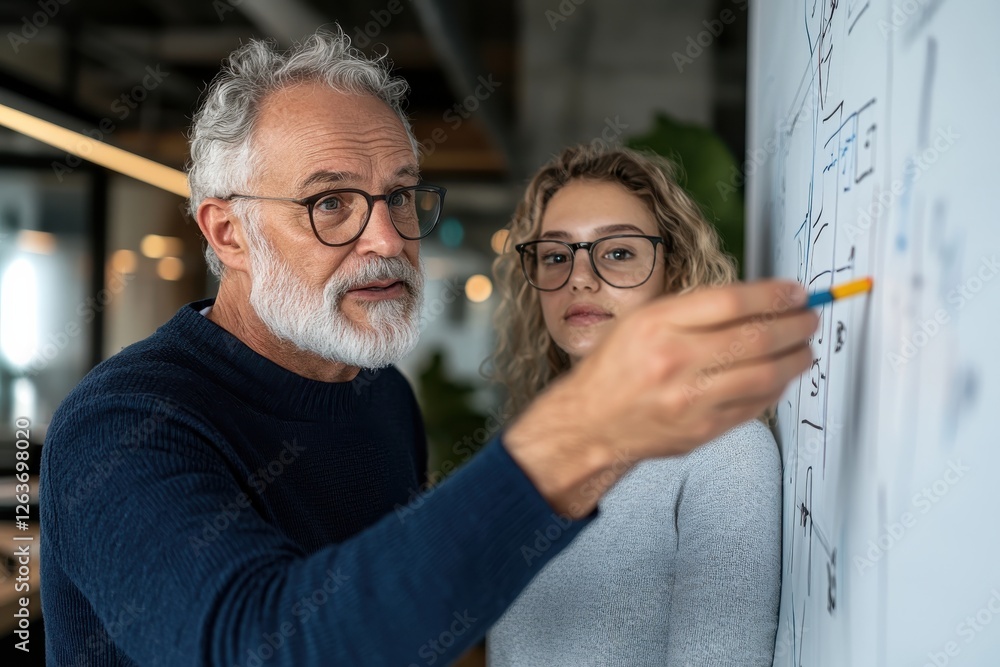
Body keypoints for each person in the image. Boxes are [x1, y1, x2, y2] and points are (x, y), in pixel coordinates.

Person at [39, 28, 817, 666]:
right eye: (331, 202)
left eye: (400, 195)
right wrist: (587, 435)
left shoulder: (381, 394)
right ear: (228, 232)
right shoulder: (123, 426)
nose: (387, 238)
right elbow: (265, 646)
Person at [485, 145, 781, 665]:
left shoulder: (725, 451)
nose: (580, 277)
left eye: (619, 253)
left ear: (674, 271)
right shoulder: (529, 449)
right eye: (556, 255)